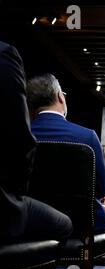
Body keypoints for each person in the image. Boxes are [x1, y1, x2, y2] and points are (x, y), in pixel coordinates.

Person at [26, 73, 105, 269]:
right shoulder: (87, 137)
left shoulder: (18, 135)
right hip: (80, 227)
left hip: (29, 226)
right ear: (60, 97)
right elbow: (100, 189)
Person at [0, 41, 72, 244]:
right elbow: (19, 144)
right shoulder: (5, 54)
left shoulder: (35, 130)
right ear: (60, 96)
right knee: (63, 225)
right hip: (6, 208)